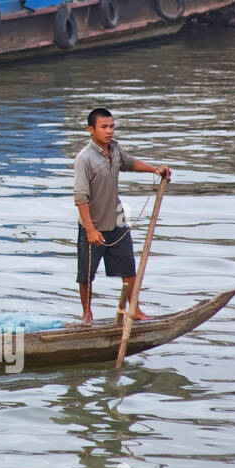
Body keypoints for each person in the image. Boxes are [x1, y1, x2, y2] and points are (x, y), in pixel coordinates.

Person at [73, 108, 172, 324]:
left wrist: (155, 170)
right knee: (86, 275)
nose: (109, 131)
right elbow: (80, 197)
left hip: (117, 220)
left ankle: (134, 309)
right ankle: (87, 314)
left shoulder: (115, 150)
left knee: (128, 268)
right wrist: (90, 229)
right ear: (91, 130)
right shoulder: (84, 158)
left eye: (112, 126)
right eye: (104, 127)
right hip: (93, 224)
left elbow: (130, 163)